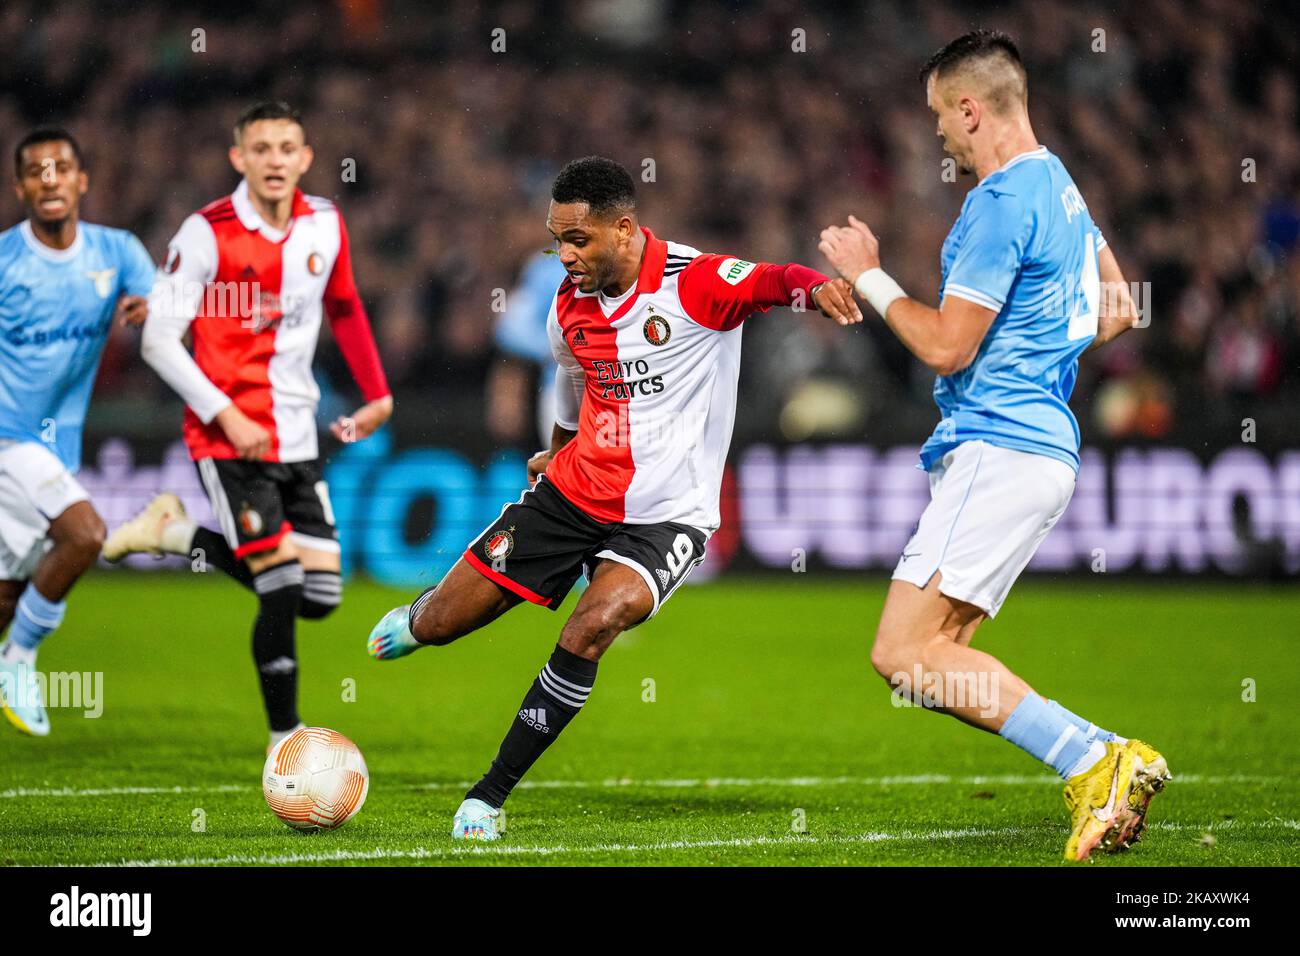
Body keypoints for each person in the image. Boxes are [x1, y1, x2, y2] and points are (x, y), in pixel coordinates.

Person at [367, 155, 860, 840]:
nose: (563, 254)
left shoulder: (695, 282)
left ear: (624, 230)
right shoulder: (567, 307)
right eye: (555, 239)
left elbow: (775, 280)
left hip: (669, 515)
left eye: (577, 239)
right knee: (444, 625)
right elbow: (572, 387)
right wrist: (556, 448)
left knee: (594, 623)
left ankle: (489, 794)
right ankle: (419, 618)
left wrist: (822, 291)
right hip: (573, 493)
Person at [817, 31, 1168, 861]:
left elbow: (946, 347)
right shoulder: (1061, 187)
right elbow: (1119, 308)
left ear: (970, 108)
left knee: (903, 652)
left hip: (1001, 444)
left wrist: (868, 274)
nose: (938, 132)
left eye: (941, 114)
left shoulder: (1002, 201)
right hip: (1042, 450)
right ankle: (1108, 760)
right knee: (938, 660)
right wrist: (1039, 346)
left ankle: (1097, 759)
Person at [103, 102, 393, 749]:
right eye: (260, 149)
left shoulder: (324, 224)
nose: (274, 161)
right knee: (280, 584)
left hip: (296, 433)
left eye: (286, 148)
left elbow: (343, 305)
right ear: (239, 157)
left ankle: (174, 533)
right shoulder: (205, 233)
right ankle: (286, 742)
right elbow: (158, 341)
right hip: (227, 439)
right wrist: (224, 413)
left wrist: (377, 393)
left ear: (306, 157)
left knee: (319, 596)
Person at [0, 127, 153, 736]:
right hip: (8, 439)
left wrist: (154, 308)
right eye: (35, 170)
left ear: (82, 180)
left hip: (53, 451)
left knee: (10, 594)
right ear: (20, 188)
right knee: (87, 535)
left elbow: (158, 306)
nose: (50, 178)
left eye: (61, 166)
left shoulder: (116, 253)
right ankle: (20, 661)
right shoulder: (7, 263)